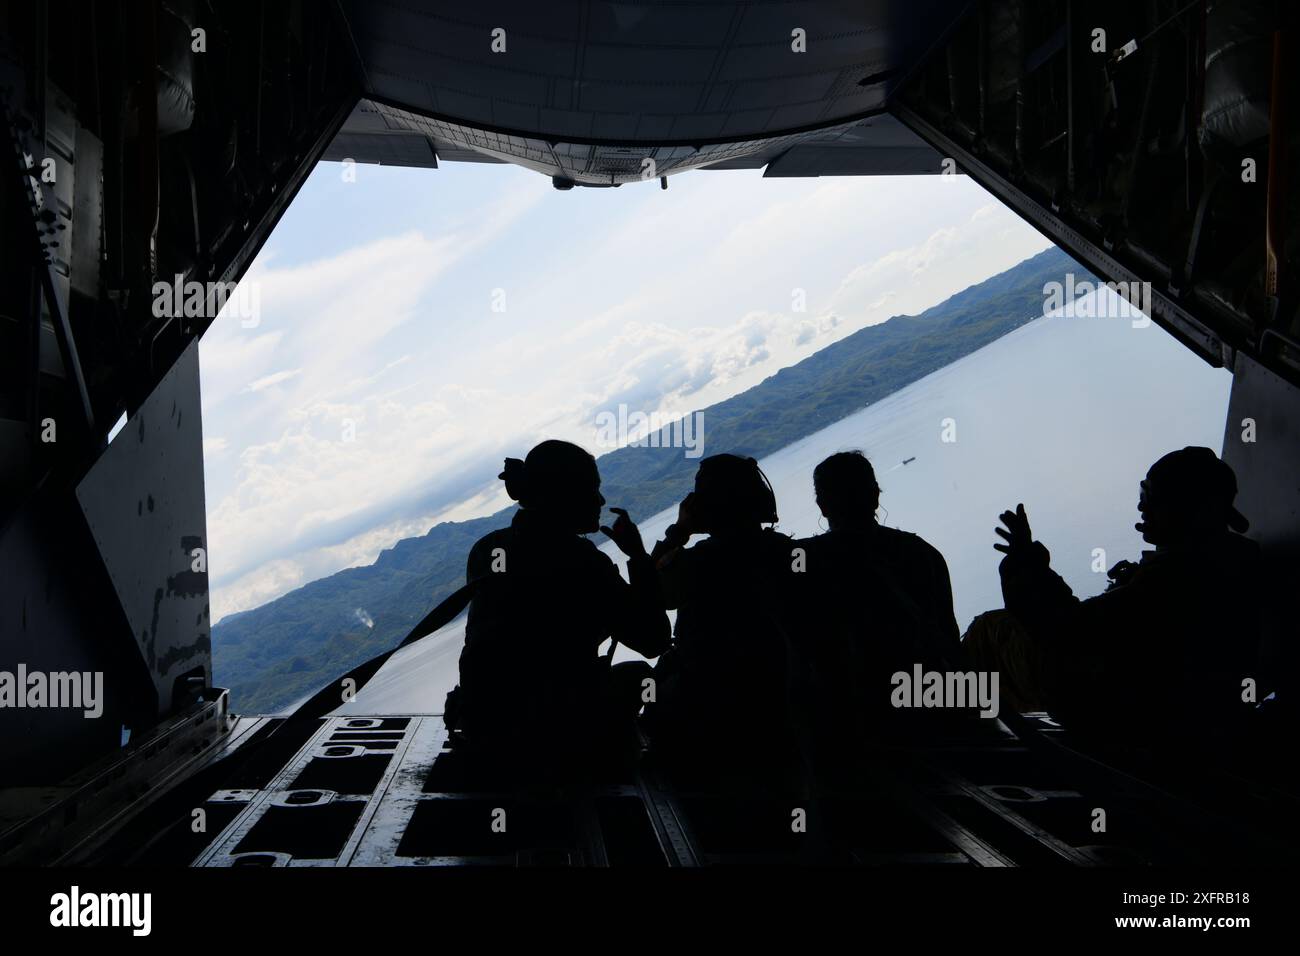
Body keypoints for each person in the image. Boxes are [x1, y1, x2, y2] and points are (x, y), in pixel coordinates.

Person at [964, 446, 1263, 751]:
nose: (1140, 507)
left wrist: (1026, 562)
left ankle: (951, 722)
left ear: (1190, 510)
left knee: (990, 630)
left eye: (1149, 497)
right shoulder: (1235, 558)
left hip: (1136, 717)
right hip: (1181, 710)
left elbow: (1069, 631)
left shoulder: (1174, 577)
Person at [446, 440, 670, 779]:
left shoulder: (489, 548)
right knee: (641, 674)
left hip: (485, 724)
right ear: (563, 496)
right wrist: (638, 558)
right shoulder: (583, 562)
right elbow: (653, 640)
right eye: (591, 490)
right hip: (550, 732)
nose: (601, 500)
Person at [794, 451, 964, 770]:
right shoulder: (922, 553)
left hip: (846, 720)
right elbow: (948, 638)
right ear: (875, 495)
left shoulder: (801, 561)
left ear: (822, 506)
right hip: (926, 707)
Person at [645, 454, 799, 780]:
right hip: (782, 701)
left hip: (710, 709)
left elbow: (650, 594)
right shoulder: (787, 551)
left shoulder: (697, 563)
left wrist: (678, 532)